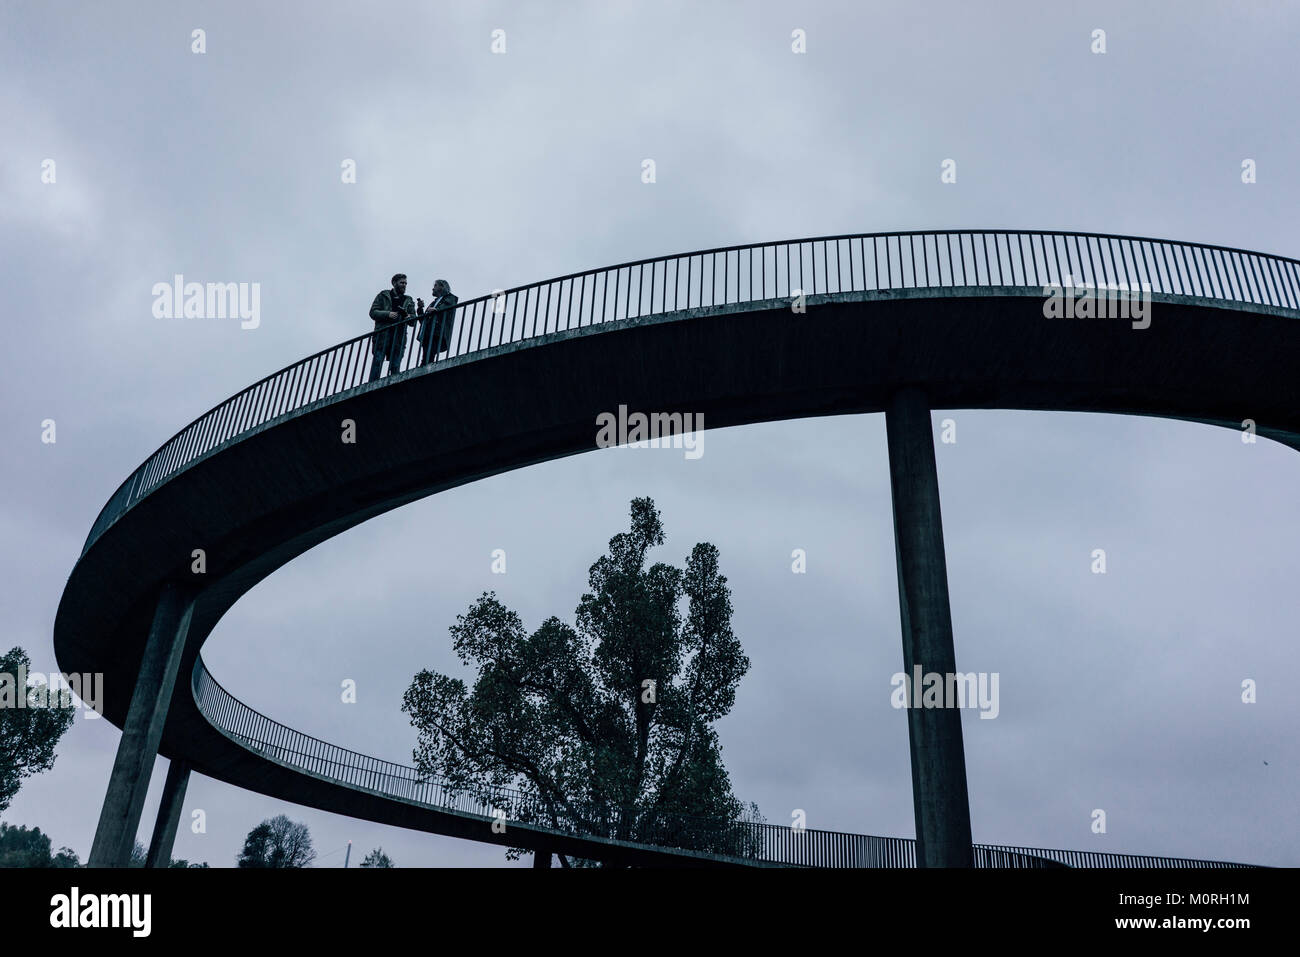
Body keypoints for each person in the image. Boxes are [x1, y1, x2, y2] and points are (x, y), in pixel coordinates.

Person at [368, 274, 418, 381]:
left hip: (399, 338)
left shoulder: (408, 300)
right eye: (402, 283)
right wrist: (388, 314)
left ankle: (393, 385)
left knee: (395, 365)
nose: (404, 285)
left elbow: (413, 321)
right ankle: (372, 385)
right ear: (394, 283)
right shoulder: (383, 295)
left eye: (405, 283)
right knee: (377, 362)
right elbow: (373, 312)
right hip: (382, 335)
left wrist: (407, 316)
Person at [417, 279, 459, 365]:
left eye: (435, 286)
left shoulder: (450, 298)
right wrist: (420, 309)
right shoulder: (434, 302)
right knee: (426, 357)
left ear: (442, 287)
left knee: (429, 355)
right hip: (428, 333)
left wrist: (436, 310)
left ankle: (425, 372)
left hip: (437, 332)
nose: (433, 288)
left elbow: (446, 307)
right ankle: (424, 370)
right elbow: (423, 320)